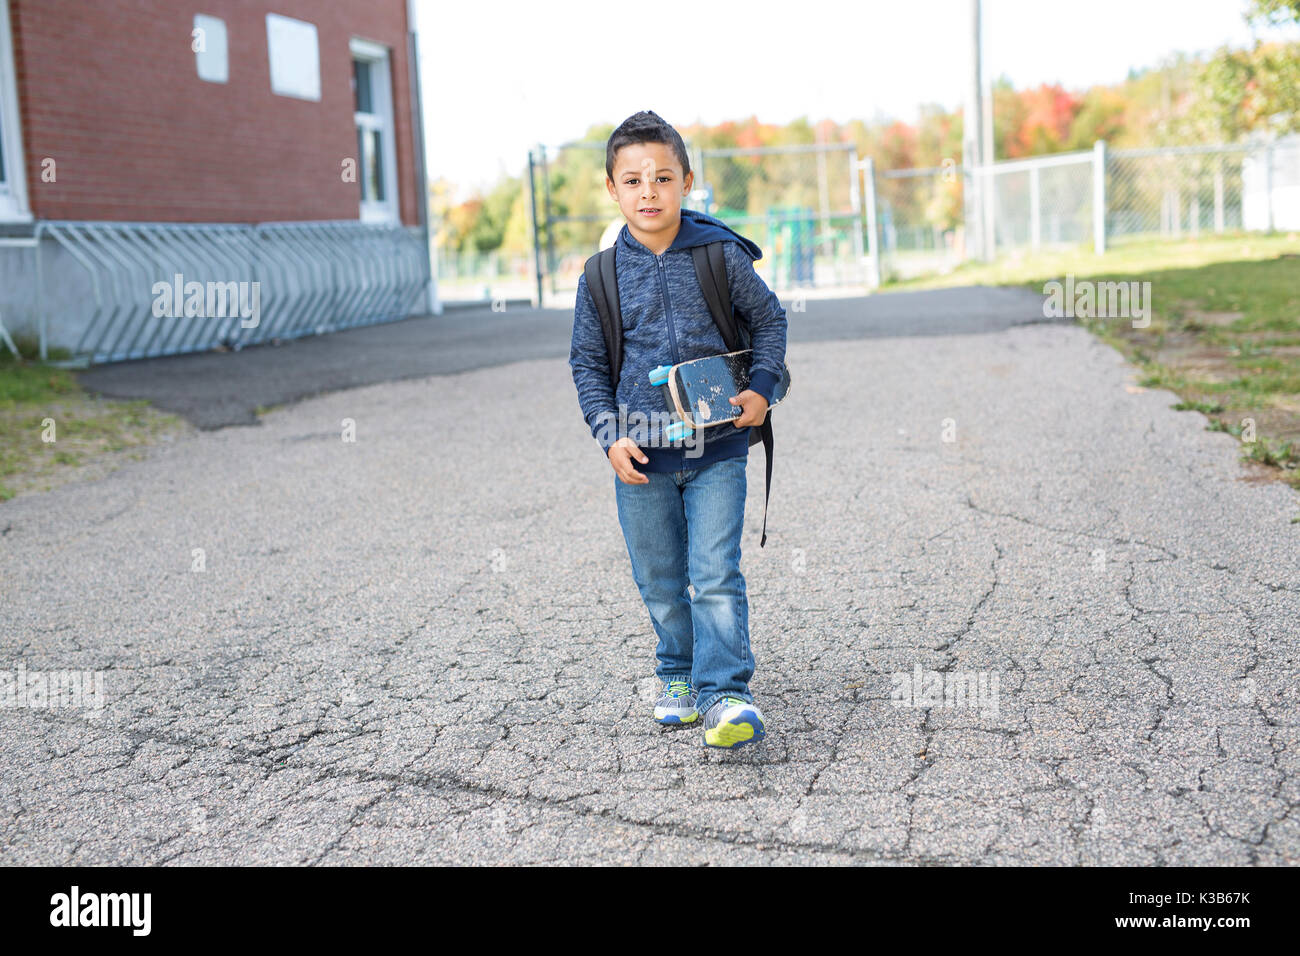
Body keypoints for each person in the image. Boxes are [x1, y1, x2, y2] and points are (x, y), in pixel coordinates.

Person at [568, 110, 789, 749]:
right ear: (613, 189)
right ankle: (676, 673)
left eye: (662, 178)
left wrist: (761, 388)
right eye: (633, 181)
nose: (649, 192)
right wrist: (608, 432)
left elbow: (770, 321)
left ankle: (726, 695)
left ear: (686, 181)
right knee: (661, 581)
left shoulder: (719, 256)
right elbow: (586, 362)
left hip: (718, 446)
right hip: (640, 456)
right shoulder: (599, 277)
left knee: (715, 571)